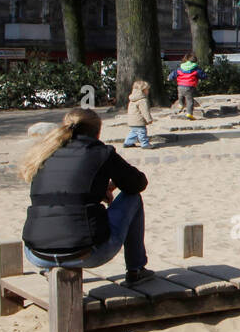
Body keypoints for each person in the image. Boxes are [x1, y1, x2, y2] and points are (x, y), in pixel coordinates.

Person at [20, 108, 153, 285]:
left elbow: (62, 192)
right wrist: (112, 184)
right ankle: (136, 269)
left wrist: (97, 191)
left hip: (36, 253)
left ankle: (48, 269)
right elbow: (137, 184)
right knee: (132, 197)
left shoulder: (44, 153)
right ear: (97, 132)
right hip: (85, 253)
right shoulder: (101, 152)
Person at [168, 54, 206, 120]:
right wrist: (204, 77)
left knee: (180, 95)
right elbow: (203, 75)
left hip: (180, 86)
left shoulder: (180, 68)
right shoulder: (196, 69)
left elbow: (174, 73)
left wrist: (169, 78)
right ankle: (189, 113)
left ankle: (181, 104)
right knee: (189, 101)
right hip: (189, 87)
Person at [124, 79, 155, 148]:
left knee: (134, 132)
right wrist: (149, 119)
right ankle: (144, 144)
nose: (148, 91)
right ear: (143, 90)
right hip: (139, 121)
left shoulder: (132, 99)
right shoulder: (142, 100)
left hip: (132, 120)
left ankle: (127, 142)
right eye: (147, 90)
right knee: (142, 132)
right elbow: (145, 111)